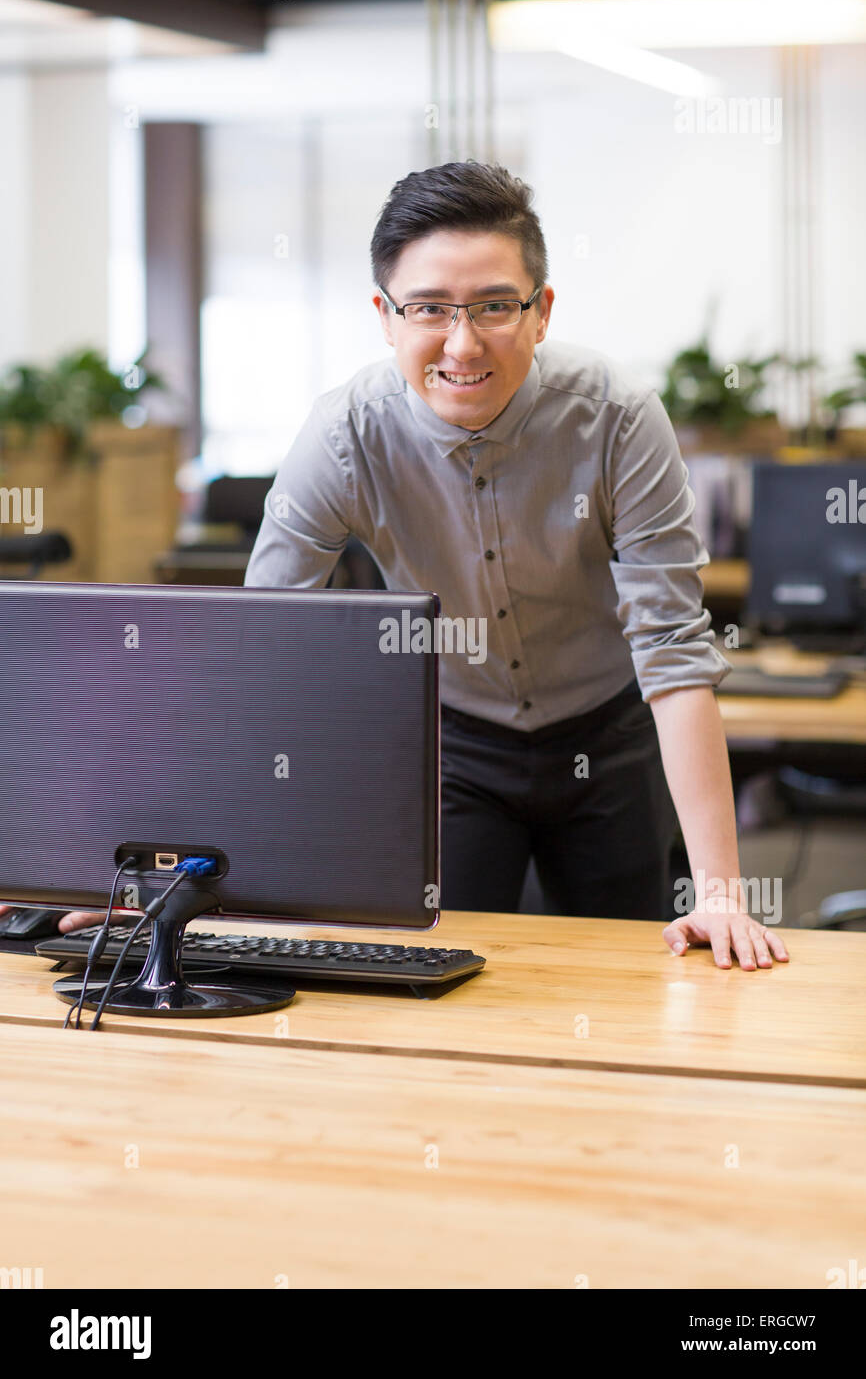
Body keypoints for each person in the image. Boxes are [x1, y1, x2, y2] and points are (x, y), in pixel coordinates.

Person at [30, 160, 787, 972]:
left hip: (610, 732)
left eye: (496, 305)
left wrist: (719, 890)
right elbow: (251, 654)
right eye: (429, 308)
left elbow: (671, 649)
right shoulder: (345, 434)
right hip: (453, 741)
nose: (463, 343)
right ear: (386, 317)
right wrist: (160, 866)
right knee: (446, 974)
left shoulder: (617, 419)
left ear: (541, 313)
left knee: (644, 975)